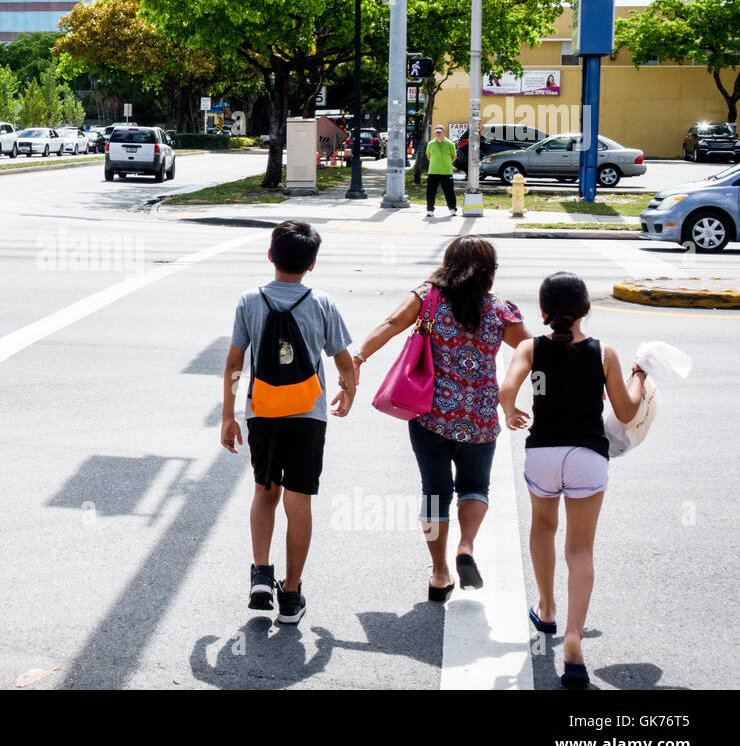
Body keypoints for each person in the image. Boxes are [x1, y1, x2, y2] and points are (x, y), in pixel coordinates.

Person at [351, 236, 529, 601]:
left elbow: (390, 322)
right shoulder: (500, 312)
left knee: (434, 494)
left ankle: (439, 572)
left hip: (429, 415)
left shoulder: (427, 298)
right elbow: (533, 350)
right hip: (479, 419)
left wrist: (357, 358)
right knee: (475, 488)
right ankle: (466, 545)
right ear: (490, 273)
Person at [499, 272, 645, 689]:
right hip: (587, 456)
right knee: (580, 550)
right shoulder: (605, 354)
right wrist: (640, 376)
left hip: (543, 453)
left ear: (543, 313)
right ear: (587, 309)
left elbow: (506, 388)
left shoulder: (530, 347)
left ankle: (546, 609)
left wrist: (511, 412)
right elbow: (627, 410)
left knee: (542, 529)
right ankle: (575, 639)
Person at [221, 221, 356, 625]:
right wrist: (348, 391)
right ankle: (292, 593)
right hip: (308, 415)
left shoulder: (249, 300)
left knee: (265, 491)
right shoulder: (322, 302)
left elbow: (233, 363)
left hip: (262, 411)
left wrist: (229, 414)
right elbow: (344, 362)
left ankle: (261, 571)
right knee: (299, 501)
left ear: (270, 257)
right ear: (311, 264)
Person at [425, 125, 457, 218]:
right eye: (436, 132)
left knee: (449, 192)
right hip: (433, 171)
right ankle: (430, 210)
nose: (438, 134)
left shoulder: (450, 144)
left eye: (440, 132)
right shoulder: (431, 144)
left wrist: (447, 163)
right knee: (430, 192)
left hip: (446, 172)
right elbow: (428, 156)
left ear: (443, 132)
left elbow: (454, 156)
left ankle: (452, 209)